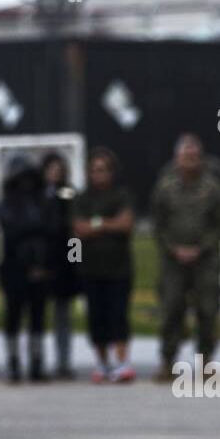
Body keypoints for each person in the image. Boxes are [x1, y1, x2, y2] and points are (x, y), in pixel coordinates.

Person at [151, 134, 220, 382]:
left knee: (207, 310)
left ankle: (206, 362)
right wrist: (173, 249)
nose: (190, 162)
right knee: (171, 308)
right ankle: (167, 361)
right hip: (173, 261)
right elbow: (157, 223)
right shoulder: (165, 187)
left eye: (194, 157)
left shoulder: (213, 188)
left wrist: (200, 249)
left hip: (205, 260)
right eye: (186, 156)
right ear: (177, 159)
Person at [72, 147, 135, 384]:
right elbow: (80, 229)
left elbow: (126, 224)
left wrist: (97, 224)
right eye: (95, 170)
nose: (99, 175)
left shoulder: (122, 196)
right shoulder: (83, 198)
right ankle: (102, 363)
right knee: (96, 318)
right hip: (91, 269)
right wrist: (108, 224)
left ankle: (122, 363)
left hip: (119, 268)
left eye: (104, 170)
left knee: (118, 316)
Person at [0, 156, 56, 383]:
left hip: (40, 267)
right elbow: (11, 230)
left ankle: (37, 361)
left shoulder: (44, 201)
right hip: (15, 269)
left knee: (38, 317)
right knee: (13, 316)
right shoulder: (7, 203)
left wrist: (45, 265)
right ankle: (13, 361)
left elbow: (52, 230)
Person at [42, 152, 78, 380]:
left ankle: (63, 361)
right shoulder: (36, 194)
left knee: (63, 314)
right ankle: (35, 360)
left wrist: (76, 261)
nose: (55, 173)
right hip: (42, 260)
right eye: (51, 169)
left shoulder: (68, 192)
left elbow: (74, 230)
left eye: (59, 169)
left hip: (64, 262)